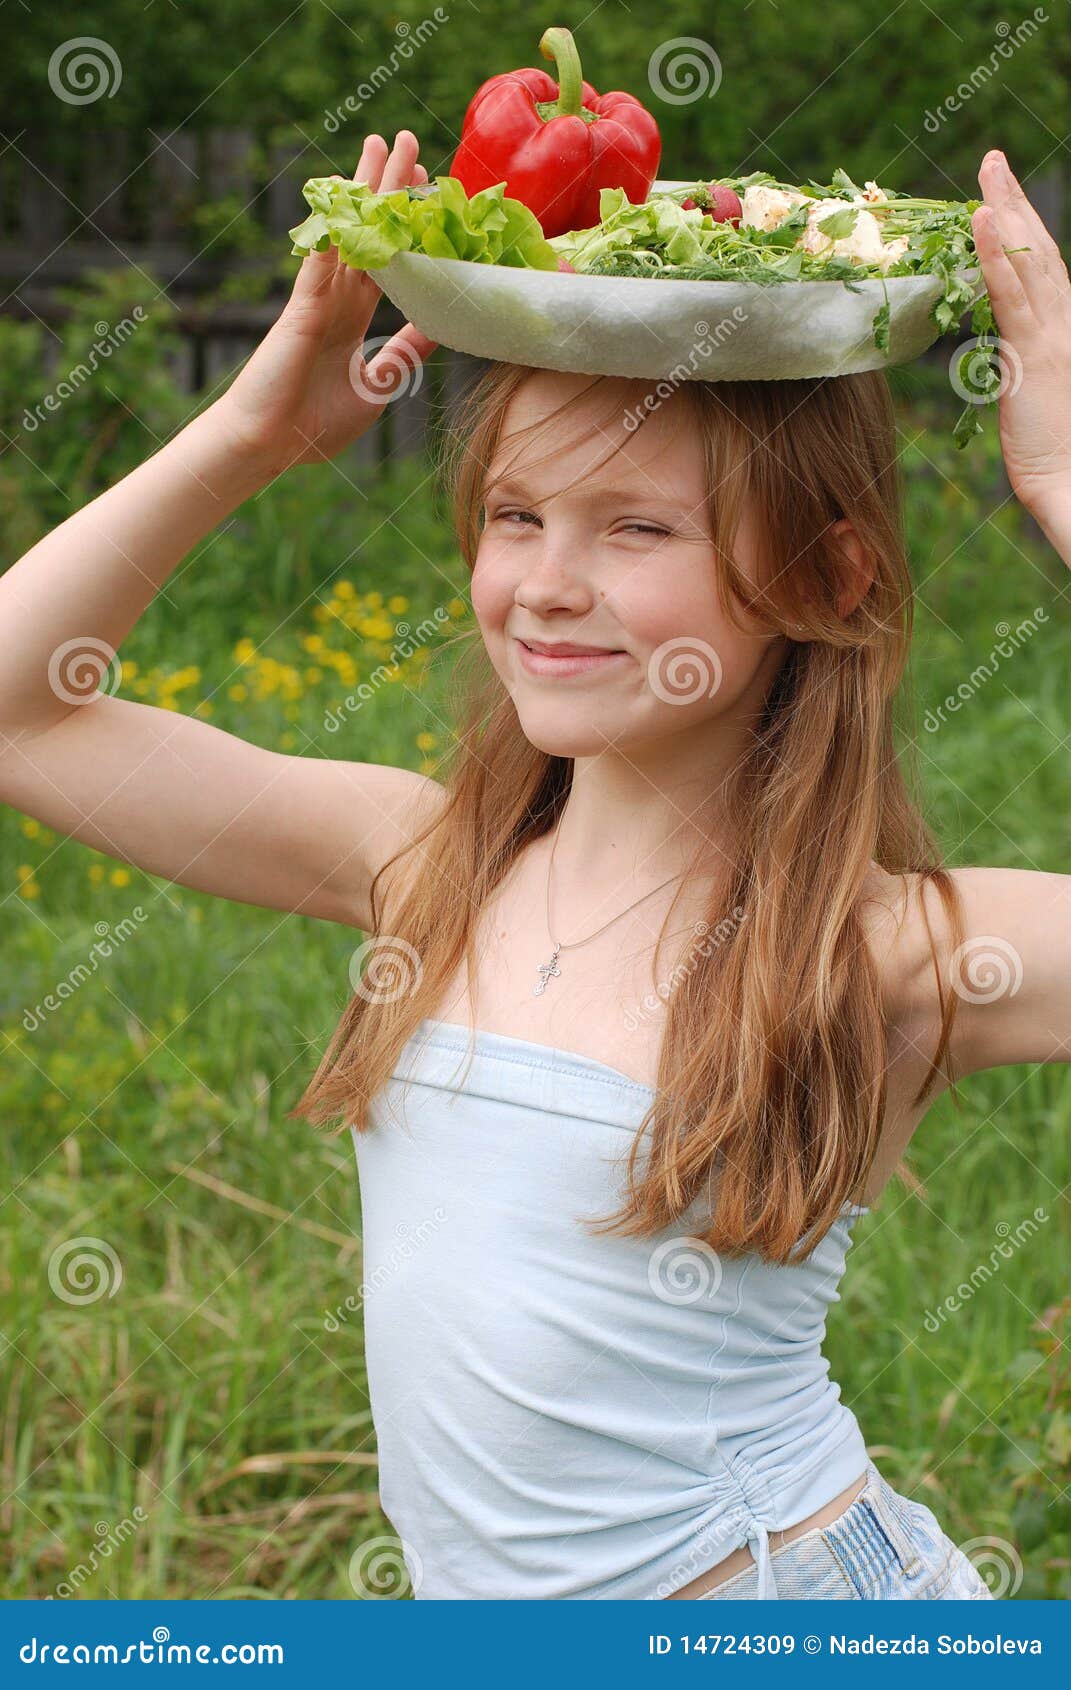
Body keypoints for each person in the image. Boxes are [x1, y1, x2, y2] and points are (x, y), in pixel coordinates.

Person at [1, 131, 1068, 1601]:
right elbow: (22, 707)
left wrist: (1064, 483)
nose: (547, 585)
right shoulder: (419, 865)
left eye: (635, 528)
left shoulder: (879, 948)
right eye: (516, 515)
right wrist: (253, 432)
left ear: (828, 576)